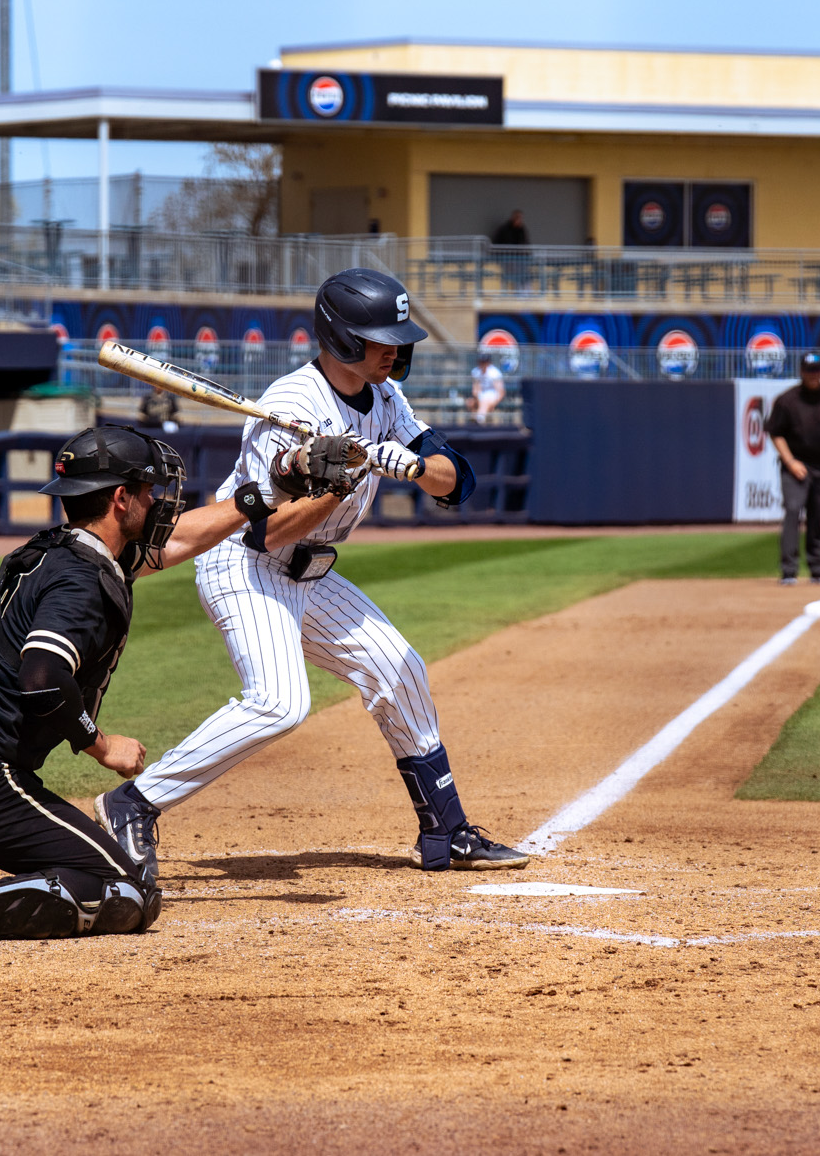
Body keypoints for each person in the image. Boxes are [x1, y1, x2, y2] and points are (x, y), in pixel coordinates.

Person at [91, 268, 530, 880]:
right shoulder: (291, 405)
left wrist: (410, 466)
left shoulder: (385, 398)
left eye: (396, 338)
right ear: (344, 338)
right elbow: (268, 529)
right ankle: (131, 804)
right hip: (246, 564)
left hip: (311, 575)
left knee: (398, 668)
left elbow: (458, 478)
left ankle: (447, 832)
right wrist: (341, 478)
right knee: (279, 703)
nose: (394, 349)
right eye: (381, 338)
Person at [0, 424, 348, 942]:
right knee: (125, 891)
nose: (158, 503)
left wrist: (271, 491)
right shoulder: (83, 582)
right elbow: (41, 679)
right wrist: (102, 746)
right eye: (149, 492)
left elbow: (182, 539)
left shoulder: (56, 549)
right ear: (120, 498)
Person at [766, 351, 820, 587]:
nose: (813, 376)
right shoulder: (788, 400)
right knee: (793, 511)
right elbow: (775, 433)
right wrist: (790, 462)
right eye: (809, 371)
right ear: (801, 372)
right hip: (795, 466)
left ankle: (818, 569)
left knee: (817, 516)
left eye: (816, 371)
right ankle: (788, 570)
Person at [470, 356, 506, 425]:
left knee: (485, 402)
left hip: (493, 395)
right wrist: (477, 398)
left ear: (488, 363)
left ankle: (479, 420)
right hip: (481, 395)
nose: (483, 364)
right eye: (481, 362)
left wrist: (495, 403)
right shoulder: (476, 371)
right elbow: (475, 389)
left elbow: (501, 391)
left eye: (484, 362)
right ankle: (479, 420)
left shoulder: (494, 372)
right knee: (470, 403)